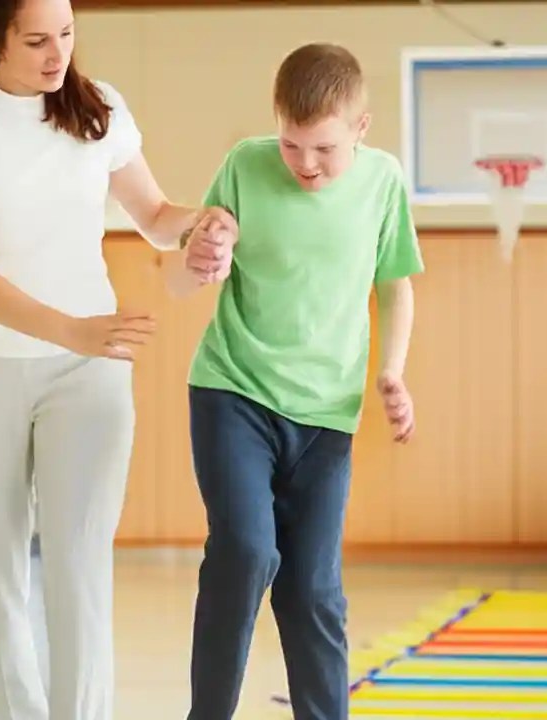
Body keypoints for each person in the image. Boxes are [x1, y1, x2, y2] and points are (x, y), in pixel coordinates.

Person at [0, 0, 231, 717]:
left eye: (65, 34)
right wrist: (70, 331)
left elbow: (154, 216)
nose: (56, 52)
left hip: (89, 369)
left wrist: (202, 220)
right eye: (35, 40)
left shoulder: (102, 109)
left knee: (78, 566)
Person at [167, 43, 424, 720]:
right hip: (234, 392)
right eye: (291, 144)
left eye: (324, 148)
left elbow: (395, 291)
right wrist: (202, 255)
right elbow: (182, 277)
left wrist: (392, 373)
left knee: (312, 588)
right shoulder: (244, 167)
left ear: (361, 129)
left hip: (327, 415)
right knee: (247, 553)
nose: (305, 163)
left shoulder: (383, 183)